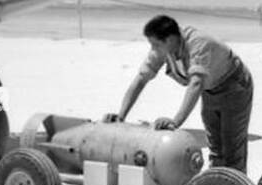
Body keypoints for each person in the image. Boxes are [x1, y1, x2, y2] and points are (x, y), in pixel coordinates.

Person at [106, 14, 254, 172]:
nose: (153, 50)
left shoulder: (199, 43)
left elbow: (196, 83)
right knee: (216, 147)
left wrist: (175, 122)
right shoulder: (164, 50)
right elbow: (141, 80)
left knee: (232, 148)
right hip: (210, 90)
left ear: (168, 40)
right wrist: (120, 116)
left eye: (155, 45)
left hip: (234, 85)